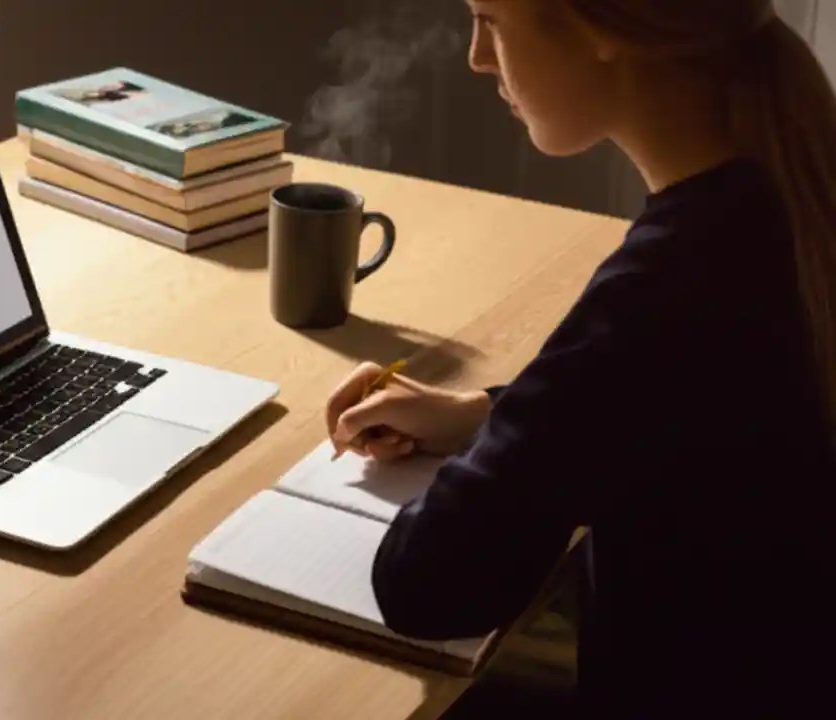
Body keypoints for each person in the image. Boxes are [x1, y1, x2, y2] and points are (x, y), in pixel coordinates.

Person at [325, 1, 836, 716]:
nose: (477, 56)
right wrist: (487, 415)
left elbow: (428, 583)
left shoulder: (664, 285)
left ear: (602, 27)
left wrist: (510, 439)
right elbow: (655, 405)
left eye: (491, 20)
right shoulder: (782, 195)